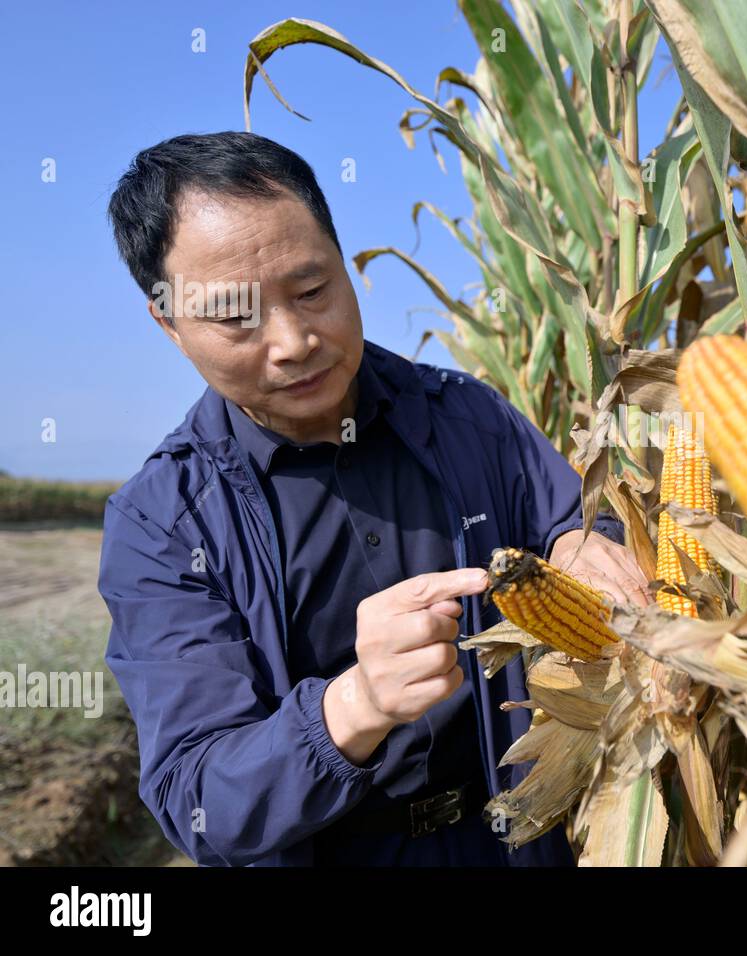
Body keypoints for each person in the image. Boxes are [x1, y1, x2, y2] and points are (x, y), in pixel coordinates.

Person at [99, 131, 650, 866]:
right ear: (169, 323)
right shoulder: (160, 524)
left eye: (312, 291)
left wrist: (583, 540)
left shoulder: (469, 418)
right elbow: (199, 799)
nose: (294, 340)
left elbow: (572, 519)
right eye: (237, 317)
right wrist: (354, 706)